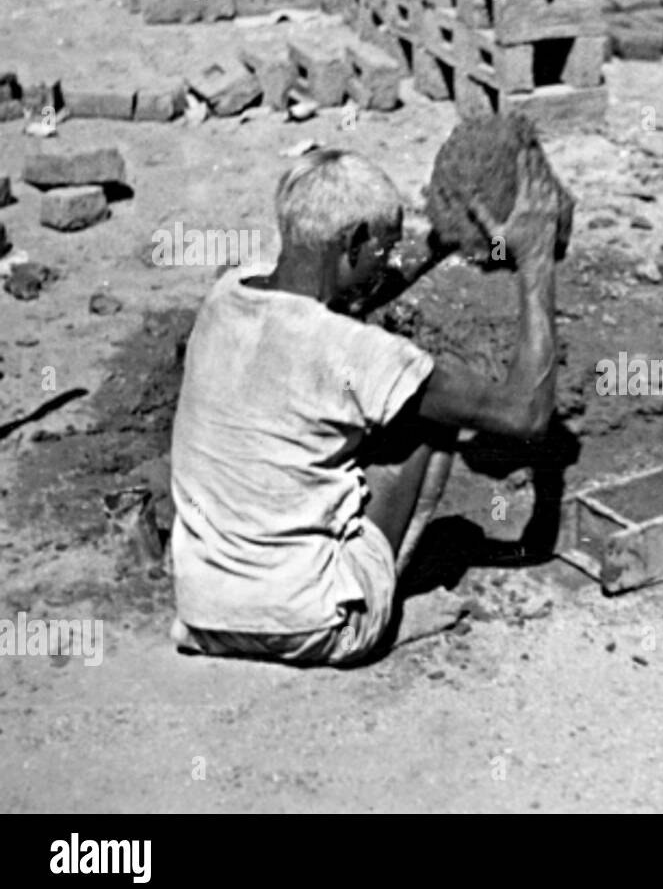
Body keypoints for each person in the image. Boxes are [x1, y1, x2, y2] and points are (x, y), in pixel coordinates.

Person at [167, 148, 562, 666]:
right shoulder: (356, 354)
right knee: (428, 415)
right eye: (385, 248)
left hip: (204, 616)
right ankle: (379, 606)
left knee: (352, 409)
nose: (390, 262)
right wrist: (535, 262)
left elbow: (341, 302)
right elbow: (526, 413)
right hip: (318, 629)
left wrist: (443, 241)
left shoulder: (229, 295)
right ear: (353, 242)